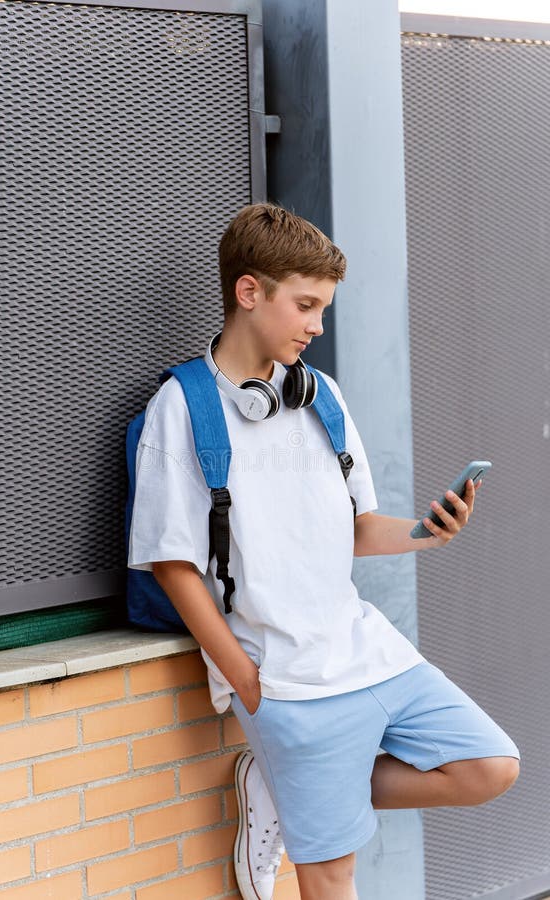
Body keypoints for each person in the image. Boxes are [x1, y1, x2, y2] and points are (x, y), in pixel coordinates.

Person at [128, 203, 520, 900]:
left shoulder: (321, 398)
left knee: (489, 765)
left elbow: (360, 528)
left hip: (366, 650)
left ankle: (282, 786)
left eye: (323, 309)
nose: (316, 325)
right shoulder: (182, 409)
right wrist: (245, 681)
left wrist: (429, 531)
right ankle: (290, 776)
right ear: (250, 292)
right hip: (286, 682)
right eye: (305, 305)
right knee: (334, 878)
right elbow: (171, 560)